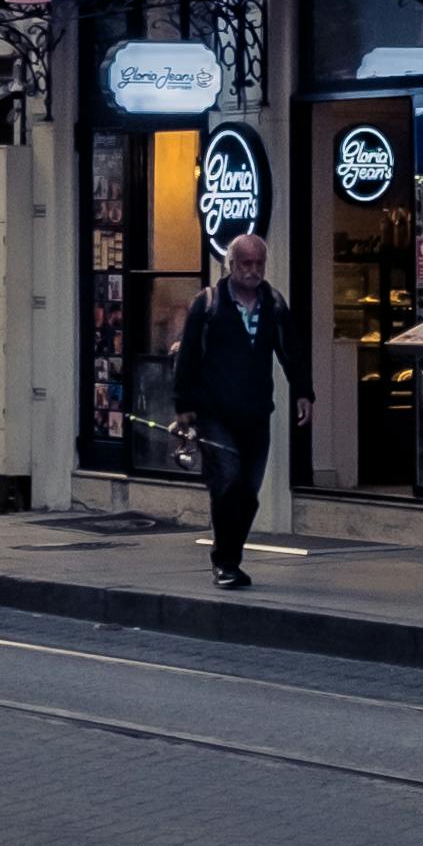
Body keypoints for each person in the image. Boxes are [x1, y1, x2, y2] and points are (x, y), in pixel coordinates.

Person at [168, 229, 301, 589]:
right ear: (232, 264)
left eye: (259, 263)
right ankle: (224, 562)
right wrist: (184, 406)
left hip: (257, 412)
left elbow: (289, 349)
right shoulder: (208, 303)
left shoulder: (273, 303)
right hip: (215, 413)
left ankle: (231, 556)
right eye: (246, 263)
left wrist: (304, 392)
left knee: (248, 491)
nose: (253, 270)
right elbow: (189, 355)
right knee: (226, 483)